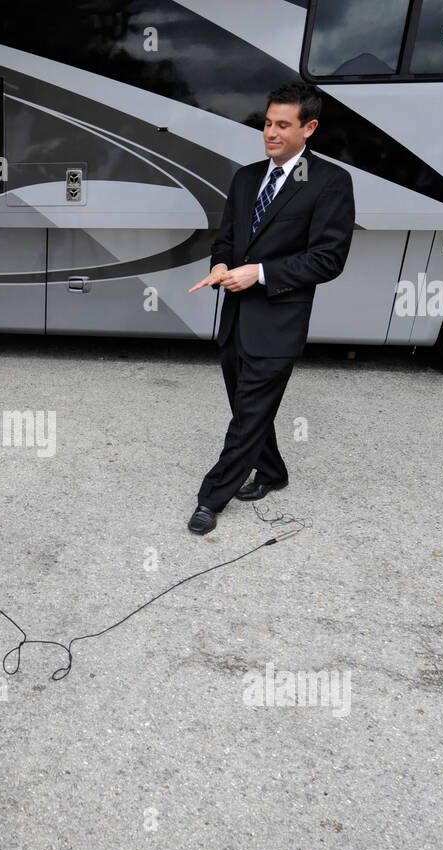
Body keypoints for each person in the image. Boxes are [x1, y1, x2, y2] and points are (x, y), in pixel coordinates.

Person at [186, 83, 354, 534]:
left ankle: (211, 498)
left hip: (279, 322)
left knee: (247, 416)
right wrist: (221, 263)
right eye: (267, 123)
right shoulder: (246, 178)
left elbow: (328, 258)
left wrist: (258, 273)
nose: (271, 133)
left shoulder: (330, 182)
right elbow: (226, 238)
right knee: (250, 408)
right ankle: (274, 473)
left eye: (283, 125)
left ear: (309, 128)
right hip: (235, 319)